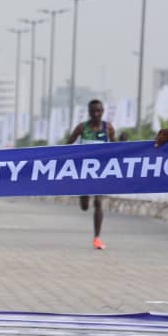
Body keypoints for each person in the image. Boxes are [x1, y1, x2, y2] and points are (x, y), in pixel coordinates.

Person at [67, 99, 117, 250]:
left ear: (103, 112)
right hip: (83, 170)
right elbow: (66, 146)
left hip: (101, 170)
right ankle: (83, 196)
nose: (96, 114)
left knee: (98, 202)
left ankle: (97, 238)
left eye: (98, 111)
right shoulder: (82, 128)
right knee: (84, 206)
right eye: (93, 111)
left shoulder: (108, 128)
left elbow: (116, 148)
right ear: (88, 113)